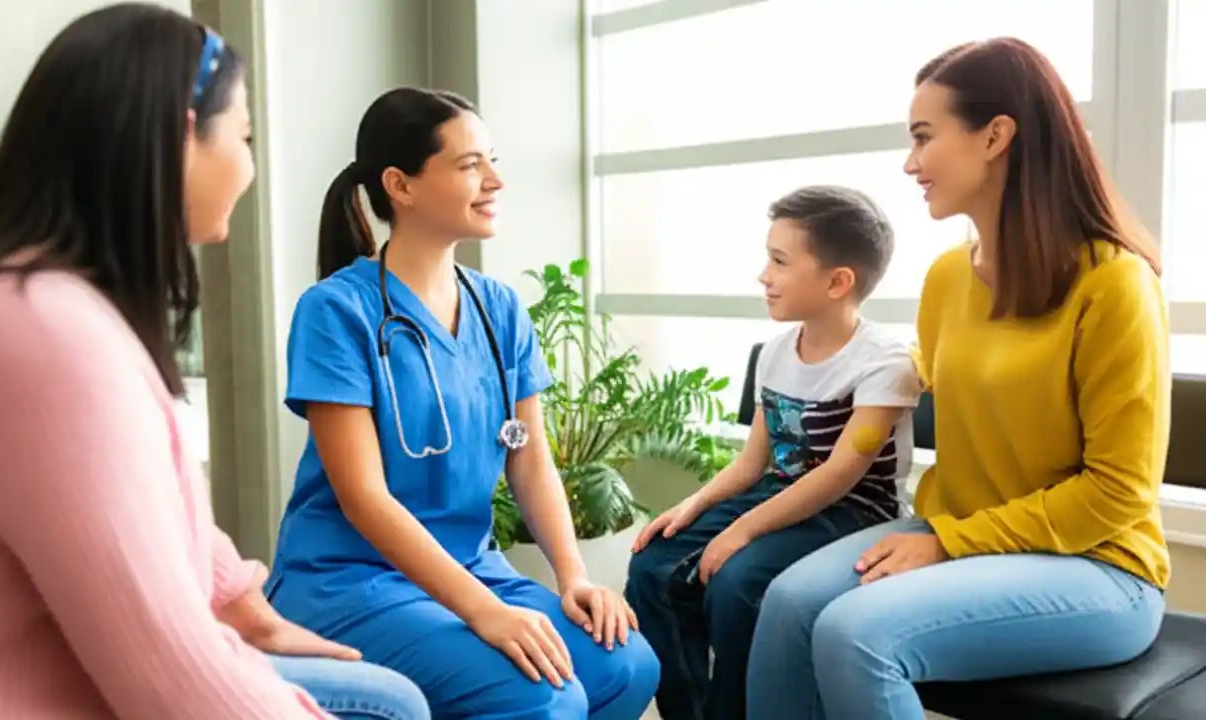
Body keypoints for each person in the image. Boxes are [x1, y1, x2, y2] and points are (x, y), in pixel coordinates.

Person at [0, 5, 427, 719]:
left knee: (391, 699)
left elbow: (134, 505)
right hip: (26, 690)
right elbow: (169, 674)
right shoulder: (41, 336)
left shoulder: (39, 307)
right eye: (245, 136)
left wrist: (239, 601)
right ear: (180, 138)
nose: (250, 165)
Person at [746, 37, 1170, 720]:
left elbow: (1116, 494)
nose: (910, 163)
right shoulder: (947, 278)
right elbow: (916, 379)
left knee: (857, 635)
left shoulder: (1116, 284)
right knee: (790, 603)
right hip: (954, 534)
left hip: (1100, 568)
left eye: (924, 137)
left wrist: (950, 541)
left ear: (996, 135)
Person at [264, 86, 660, 720]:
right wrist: (483, 612)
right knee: (544, 697)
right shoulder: (337, 311)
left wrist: (574, 578)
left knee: (626, 666)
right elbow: (363, 497)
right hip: (351, 580)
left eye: (492, 160)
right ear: (402, 184)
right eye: (470, 164)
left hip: (473, 566)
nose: (495, 180)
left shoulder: (498, 308)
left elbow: (530, 462)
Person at [625, 186, 921, 720]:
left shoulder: (885, 361)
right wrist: (692, 507)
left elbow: (837, 476)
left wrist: (740, 531)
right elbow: (752, 463)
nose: (764, 274)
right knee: (652, 564)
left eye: (780, 261)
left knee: (737, 582)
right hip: (779, 495)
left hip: (852, 512)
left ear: (838, 281)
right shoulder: (776, 352)